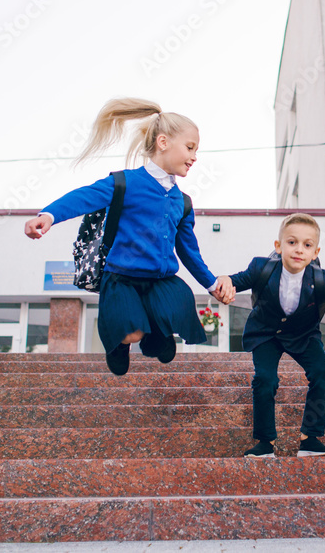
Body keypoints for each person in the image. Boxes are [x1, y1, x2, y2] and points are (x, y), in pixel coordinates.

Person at [24, 98, 235, 375]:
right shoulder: (126, 182)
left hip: (159, 281)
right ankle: (121, 342)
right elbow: (84, 196)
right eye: (190, 147)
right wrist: (48, 215)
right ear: (163, 143)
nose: (195, 156)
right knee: (132, 334)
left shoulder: (182, 202)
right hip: (122, 278)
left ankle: (155, 334)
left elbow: (189, 251)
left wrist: (210, 284)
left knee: (177, 309)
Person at [215, 213, 325, 458]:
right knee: (265, 380)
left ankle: (310, 440)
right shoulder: (261, 268)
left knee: (322, 372)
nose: (299, 250)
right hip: (265, 333)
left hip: (303, 335)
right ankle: (265, 442)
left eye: (307, 245)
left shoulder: (323, 280)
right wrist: (224, 280)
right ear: (278, 246)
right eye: (292, 242)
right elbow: (234, 280)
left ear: (315, 252)